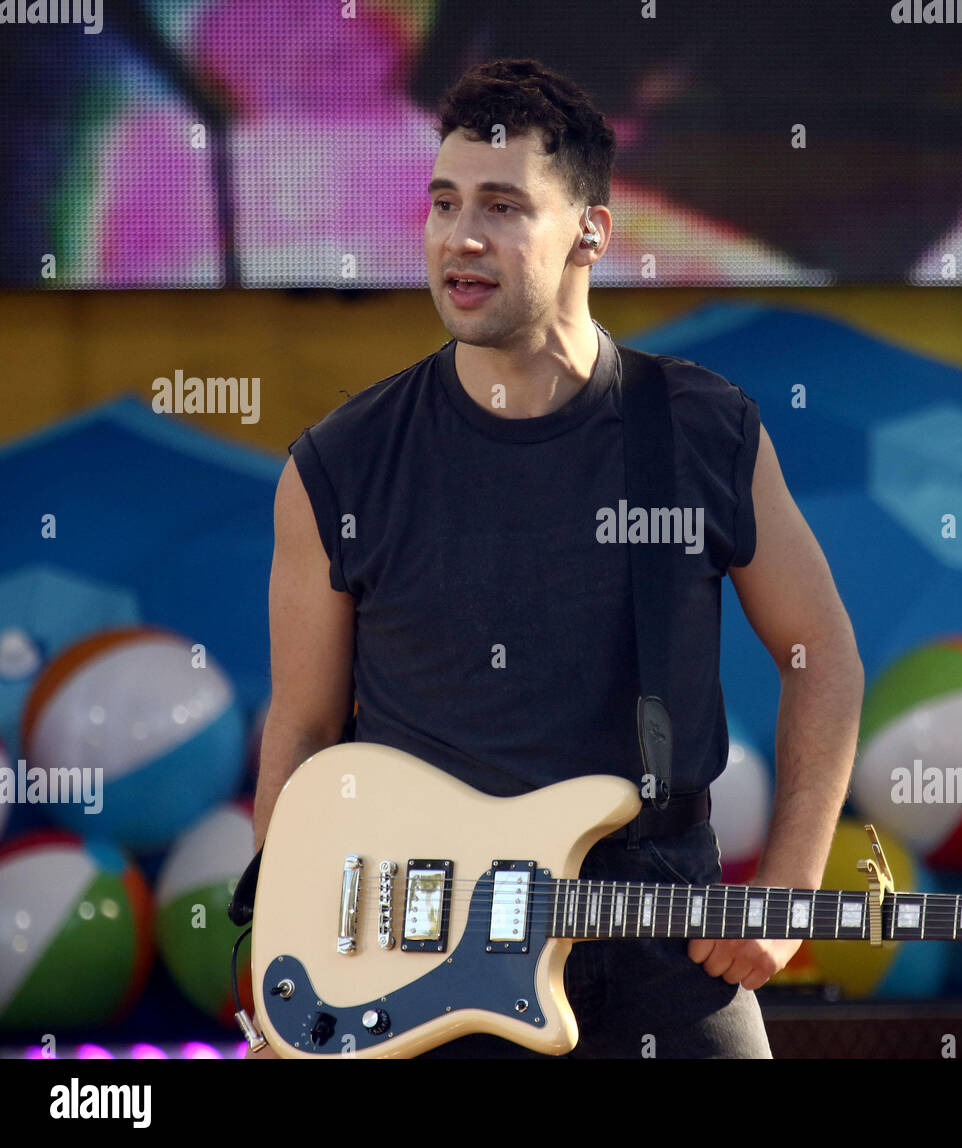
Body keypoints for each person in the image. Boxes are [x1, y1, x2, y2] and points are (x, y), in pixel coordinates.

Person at [248, 58, 863, 1059]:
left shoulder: (699, 428)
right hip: (420, 968)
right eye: (443, 203)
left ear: (591, 231)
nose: (461, 236)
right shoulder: (340, 464)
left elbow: (820, 651)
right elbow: (306, 726)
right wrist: (290, 967)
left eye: (502, 205)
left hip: (657, 937)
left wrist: (788, 886)